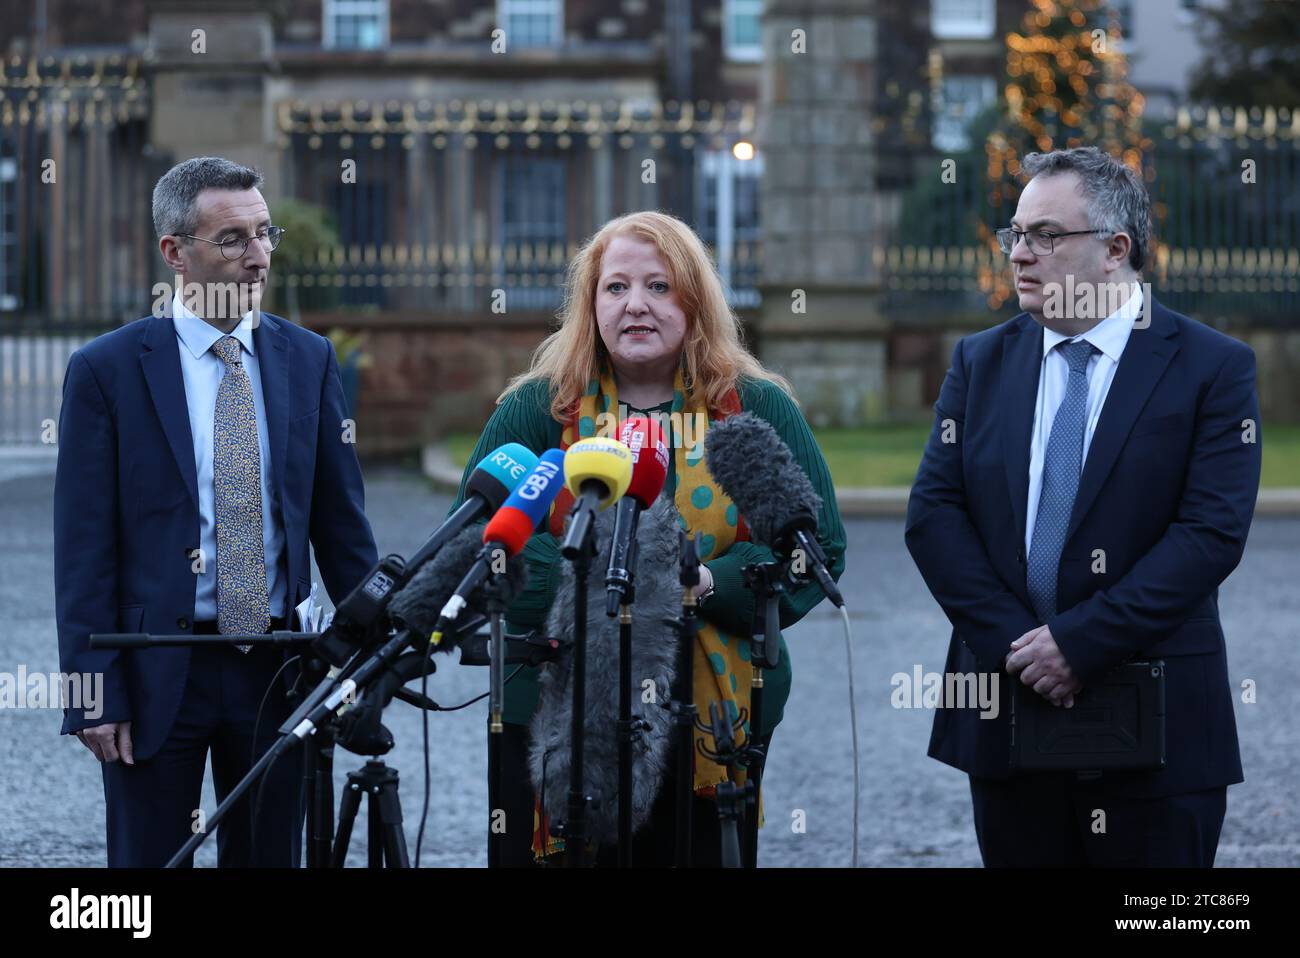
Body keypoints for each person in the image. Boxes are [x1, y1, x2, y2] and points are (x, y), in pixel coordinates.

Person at [447, 210, 846, 865]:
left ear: (695, 300)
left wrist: (710, 581)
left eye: (659, 287)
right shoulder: (537, 408)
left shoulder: (755, 408)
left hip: (709, 717)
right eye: (616, 288)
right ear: (590, 302)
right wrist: (584, 582)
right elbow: (478, 540)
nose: (636, 305)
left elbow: (816, 548)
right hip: (551, 705)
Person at [905, 146, 1261, 867]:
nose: (1019, 255)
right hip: (1008, 710)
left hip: (1156, 724)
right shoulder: (982, 360)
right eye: (1015, 234)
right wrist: (1023, 649)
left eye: (1045, 235)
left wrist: (1079, 643)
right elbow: (934, 517)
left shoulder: (1211, 367)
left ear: (1114, 249)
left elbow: (1209, 535)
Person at [54, 156, 379, 867]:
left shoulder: (309, 359)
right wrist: (90, 694)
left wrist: (370, 657)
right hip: (154, 670)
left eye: (266, 233)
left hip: (276, 666)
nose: (258, 256)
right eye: (233, 239)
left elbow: (340, 525)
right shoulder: (107, 371)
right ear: (175, 252)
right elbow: (82, 548)